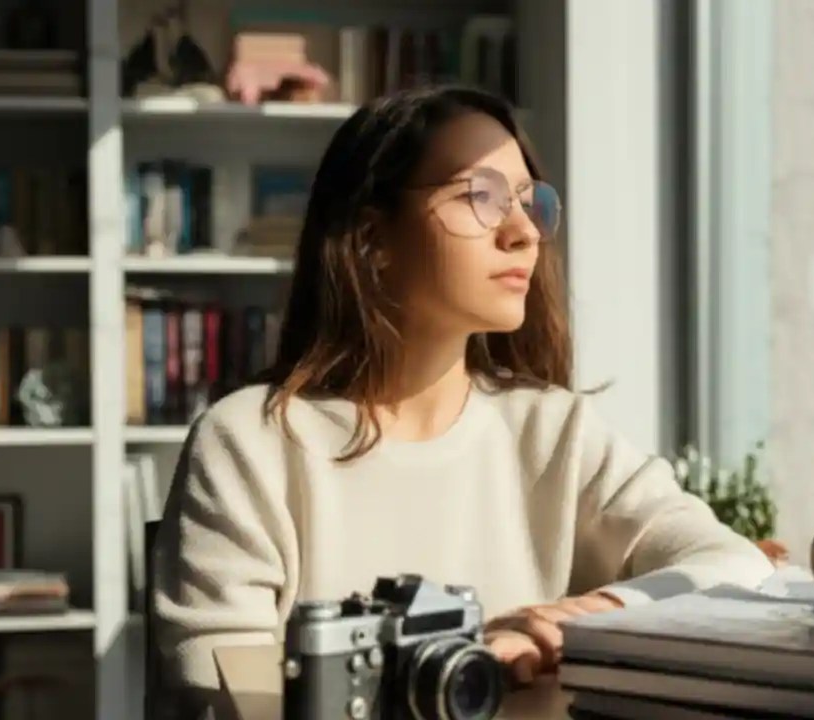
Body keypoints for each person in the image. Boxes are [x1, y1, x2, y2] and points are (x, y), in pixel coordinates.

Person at [151, 84, 776, 710]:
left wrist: (589, 614)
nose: (525, 234)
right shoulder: (249, 446)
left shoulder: (556, 432)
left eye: (533, 206)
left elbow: (733, 564)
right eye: (481, 197)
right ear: (372, 239)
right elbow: (224, 695)